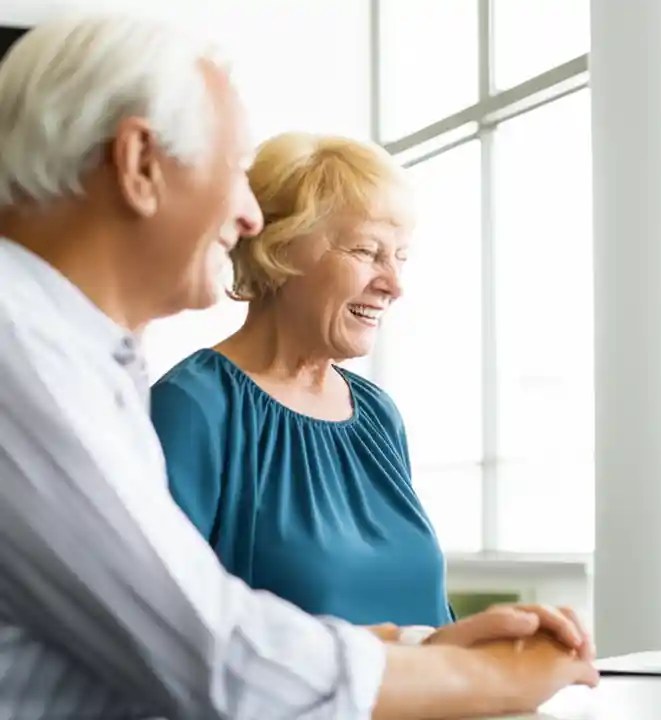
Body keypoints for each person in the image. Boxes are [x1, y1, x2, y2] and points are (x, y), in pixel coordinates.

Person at [0, 14, 596, 719]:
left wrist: (424, 652)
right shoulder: (30, 356)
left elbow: (138, 646)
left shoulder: (86, 359)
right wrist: (494, 680)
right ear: (138, 164)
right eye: (232, 171)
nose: (249, 216)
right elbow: (211, 653)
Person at [151, 131, 453, 638]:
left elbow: (428, 615)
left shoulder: (377, 414)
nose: (394, 285)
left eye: (400, 257)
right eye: (366, 251)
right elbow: (163, 632)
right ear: (280, 249)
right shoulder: (192, 408)